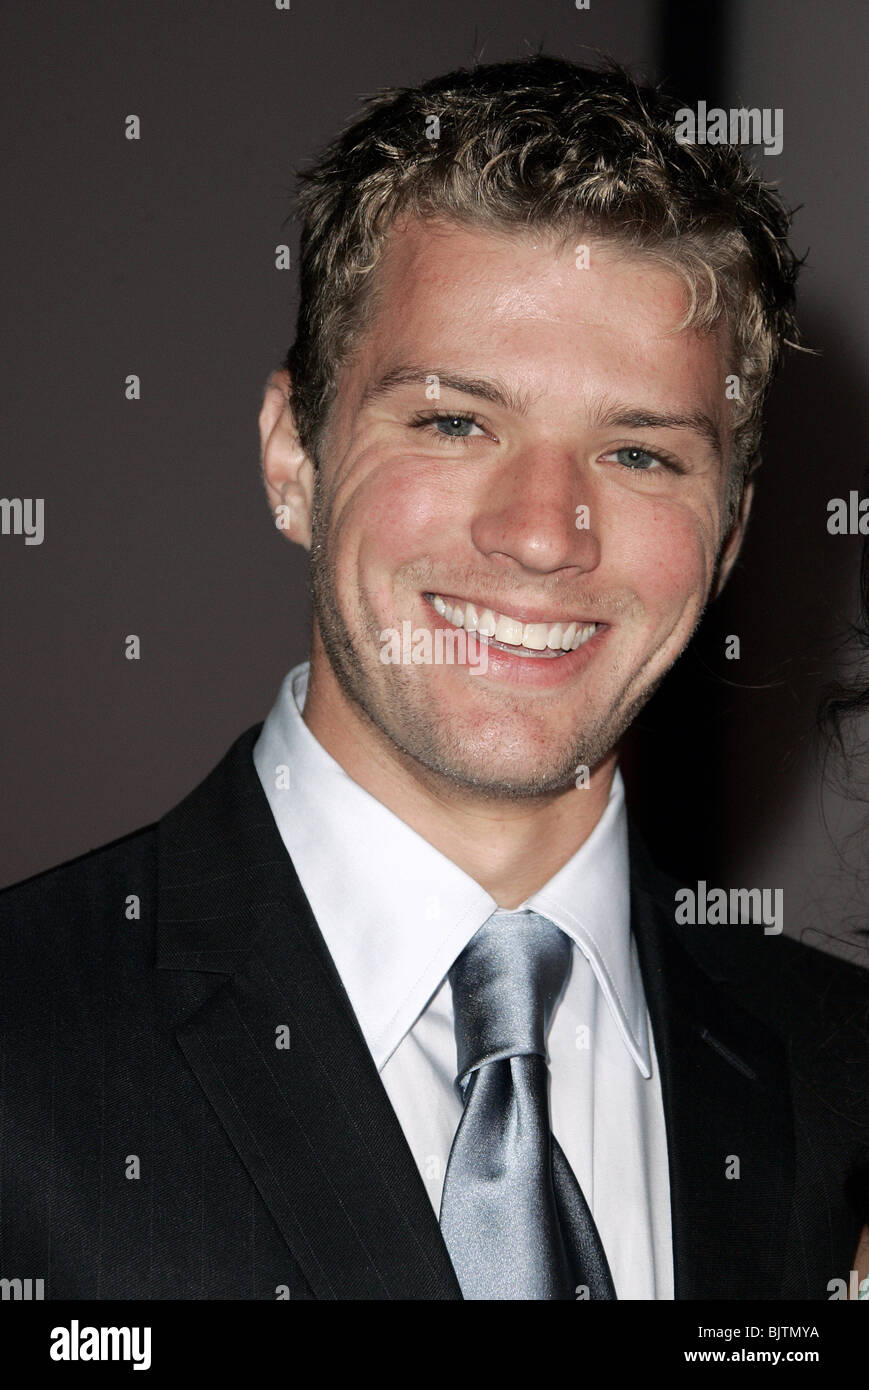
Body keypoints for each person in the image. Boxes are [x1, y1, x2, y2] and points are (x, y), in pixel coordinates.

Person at [1, 55, 867, 1301]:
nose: (541, 531)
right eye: (455, 420)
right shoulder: (27, 1038)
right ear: (292, 454)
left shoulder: (843, 1081)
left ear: (726, 537)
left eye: (636, 452)